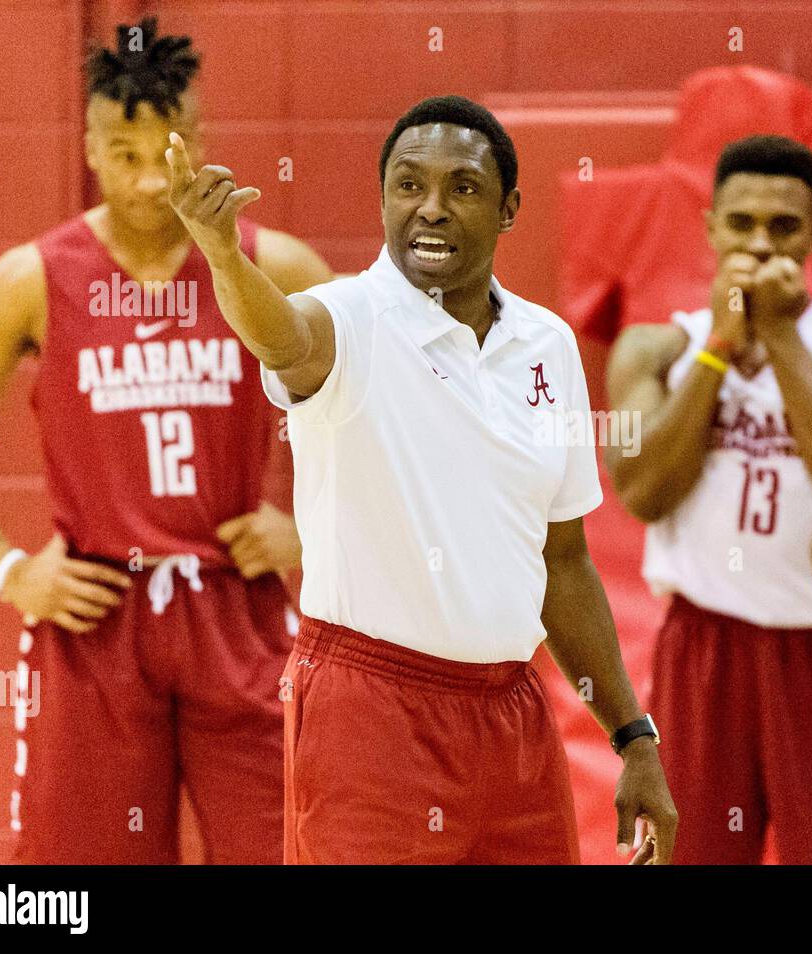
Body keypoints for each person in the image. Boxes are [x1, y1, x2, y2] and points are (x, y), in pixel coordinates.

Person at [165, 93, 677, 864]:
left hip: (511, 712)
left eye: (461, 189)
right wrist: (224, 255)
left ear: (507, 209)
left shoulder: (549, 346)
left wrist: (632, 737)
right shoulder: (351, 320)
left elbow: (563, 562)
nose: (430, 209)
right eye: (409, 186)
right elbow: (282, 337)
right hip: (371, 711)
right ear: (383, 199)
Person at [0, 17, 330, 863]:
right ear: (88, 145)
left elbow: (383, 415)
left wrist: (312, 527)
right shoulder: (29, 280)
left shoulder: (279, 268)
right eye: (125, 153)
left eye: (173, 148)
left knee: (290, 851)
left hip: (237, 608)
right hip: (96, 614)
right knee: (70, 882)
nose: (153, 180)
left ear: (204, 137)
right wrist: (8, 568)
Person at [605, 135, 812, 864]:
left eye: (783, 227)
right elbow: (644, 492)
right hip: (704, 650)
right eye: (741, 223)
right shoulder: (656, 348)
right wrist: (719, 345)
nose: (759, 243)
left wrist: (777, 333)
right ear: (710, 226)